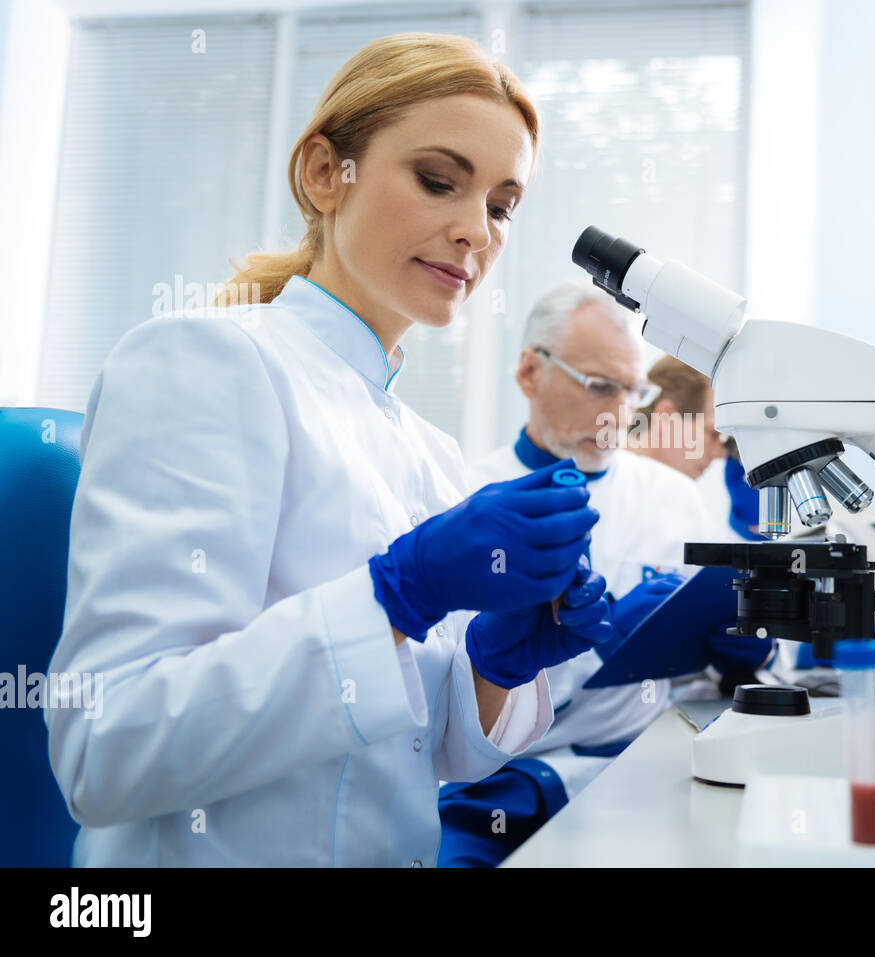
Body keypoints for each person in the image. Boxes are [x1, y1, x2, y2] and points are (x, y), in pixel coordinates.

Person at [44, 33, 611, 867]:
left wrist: (494, 662)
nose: (473, 232)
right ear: (323, 173)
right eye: (437, 180)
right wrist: (394, 596)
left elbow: (421, 751)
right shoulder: (203, 360)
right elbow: (108, 746)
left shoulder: (424, 444)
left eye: (499, 205)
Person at [436, 281, 773, 866]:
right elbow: (455, 699)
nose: (619, 413)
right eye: (598, 386)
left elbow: (726, 635)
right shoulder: (466, 498)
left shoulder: (672, 495)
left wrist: (746, 647)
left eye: (631, 391)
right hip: (500, 783)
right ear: (528, 373)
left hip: (635, 768)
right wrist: (603, 645)